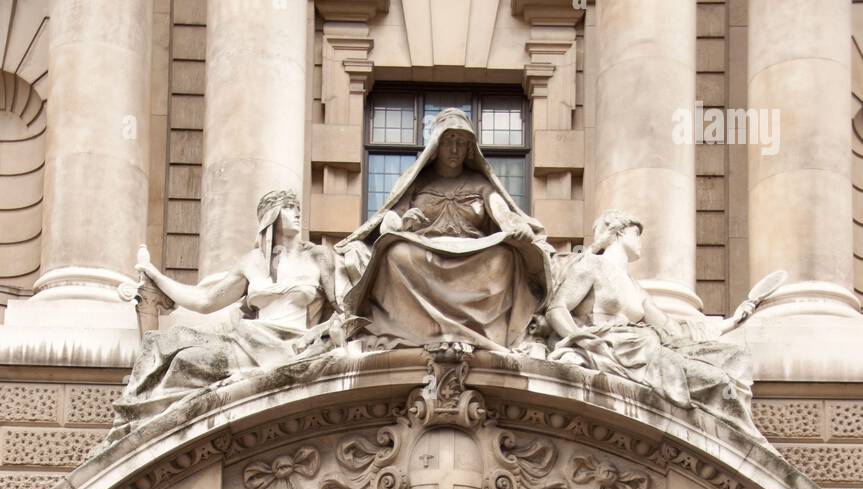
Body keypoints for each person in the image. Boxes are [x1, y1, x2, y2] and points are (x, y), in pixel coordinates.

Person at [110, 189, 338, 431]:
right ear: (271, 216)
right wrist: (155, 275)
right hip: (249, 340)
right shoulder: (252, 262)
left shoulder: (317, 257)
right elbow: (206, 301)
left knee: (185, 362)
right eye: (289, 207)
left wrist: (325, 334)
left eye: (298, 209)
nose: (297, 214)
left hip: (292, 346)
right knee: (183, 360)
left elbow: (343, 306)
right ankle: (147, 430)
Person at [337, 108, 553, 351]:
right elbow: (389, 223)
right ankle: (420, 330)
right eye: (449, 142)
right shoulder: (417, 182)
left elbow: (504, 215)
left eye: (461, 143)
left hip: (474, 251)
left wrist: (519, 227)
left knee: (504, 257)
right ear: (436, 144)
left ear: (469, 148)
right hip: (424, 250)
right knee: (394, 254)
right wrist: (405, 222)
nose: (454, 150)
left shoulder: (480, 184)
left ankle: (478, 333)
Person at [545, 210, 761, 435]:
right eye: (636, 233)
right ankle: (735, 439)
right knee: (714, 381)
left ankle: (743, 442)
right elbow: (557, 309)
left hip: (645, 348)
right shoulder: (592, 265)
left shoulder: (635, 287)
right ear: (619, 233)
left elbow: (672, 328)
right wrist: (579, 338)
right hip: (616, 347)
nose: (640, 241)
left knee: (734, 359)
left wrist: (731, 322)